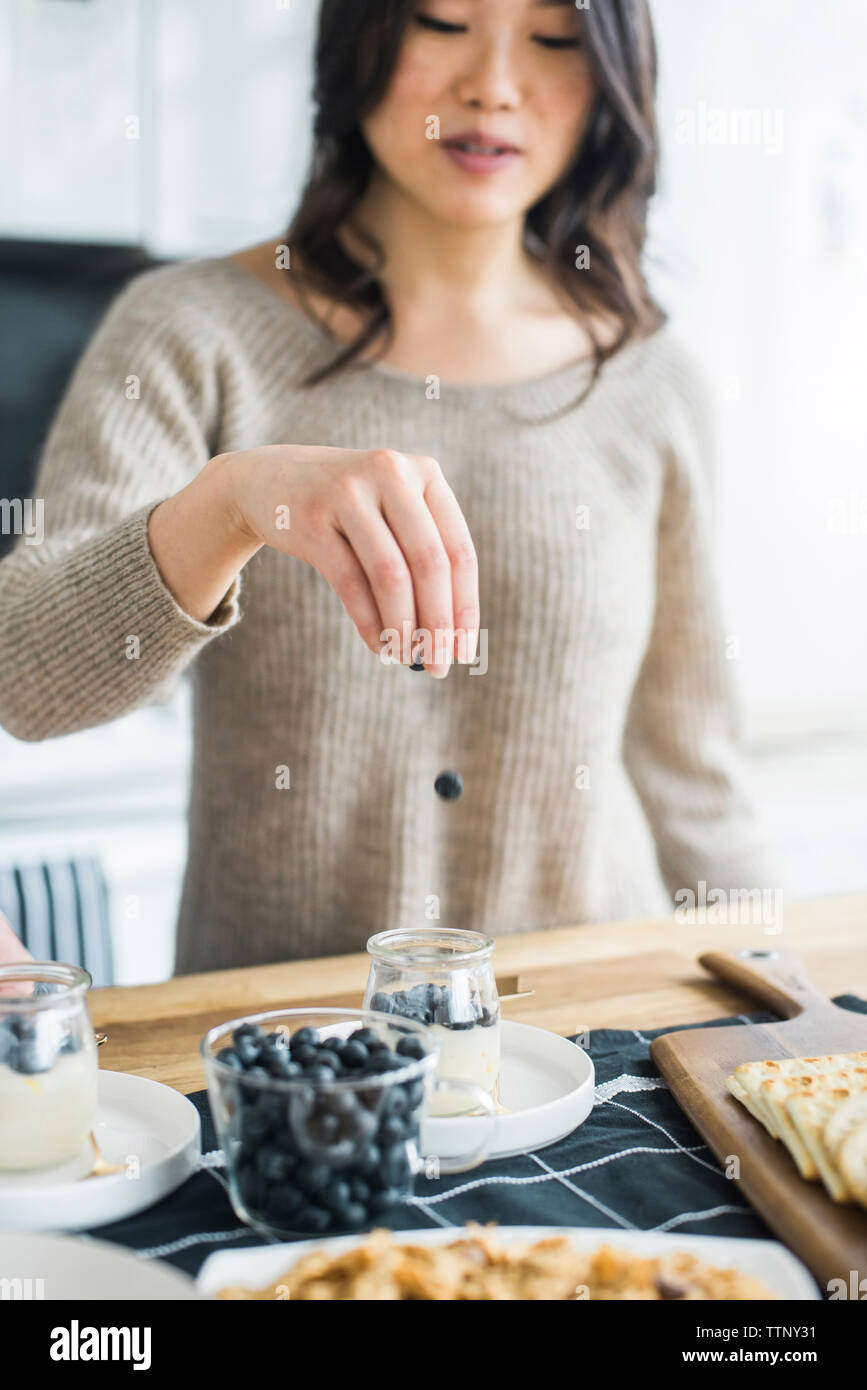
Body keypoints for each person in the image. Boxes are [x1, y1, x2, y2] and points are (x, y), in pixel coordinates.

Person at [0, 0, 776, 974]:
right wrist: (234, 502)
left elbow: (693, 771)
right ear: (359, 39)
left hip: (595, 1044)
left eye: (553, 39)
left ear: (613, 81)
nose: (493, 82)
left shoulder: (651, 384)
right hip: (286, 1059)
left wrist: (786, 1013)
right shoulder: (188, 331)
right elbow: (25, 675)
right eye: (444, 22)